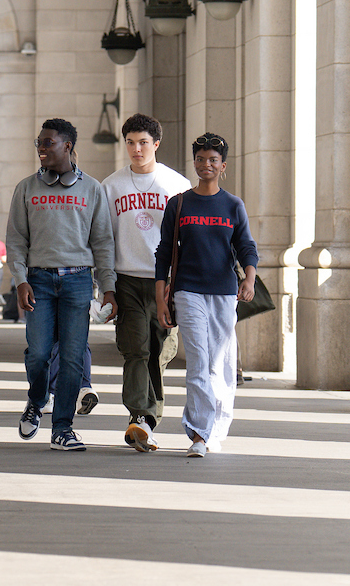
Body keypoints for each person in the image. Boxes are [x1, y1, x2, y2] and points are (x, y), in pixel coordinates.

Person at [7, 118, 116, 451]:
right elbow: (15, 239)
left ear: (67, 146)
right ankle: (37, 399)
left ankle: (62, 428)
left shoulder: (92, 189)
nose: (41, 147)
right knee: (38, 354)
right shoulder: (26, 188)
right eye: (39, 142)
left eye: (48, 142)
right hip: (38, 280)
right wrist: (20, 279)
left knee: (71, 358)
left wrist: (108, 286)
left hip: (78, 281)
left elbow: (103, 241)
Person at [155, 132, 258, 458]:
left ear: (222, 165)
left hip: (225, 293)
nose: (206, 164)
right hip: (189, 290)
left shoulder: (232, 205)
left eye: (212, 160)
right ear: (195, 162)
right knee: (199, 361)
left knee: (222, 365)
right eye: (200, 159)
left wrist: (250, 280)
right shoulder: (180, 204)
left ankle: (216, 429)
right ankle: (199, 433)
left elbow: (246, 247)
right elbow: (163, 253)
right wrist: (161, 298)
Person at [101, 113, 191, 452]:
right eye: (130, 143)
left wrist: (179, 282)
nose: (136, 149)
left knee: (159, 352)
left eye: (143, 142)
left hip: (165, 282)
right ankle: (140, 416)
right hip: (128, 280)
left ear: (156, 144)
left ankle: (147, 418)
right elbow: (104, 239)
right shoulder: (111, 187)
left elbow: (186, 240)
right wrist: (107, 286)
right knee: (135, 349)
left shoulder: (176, 186)